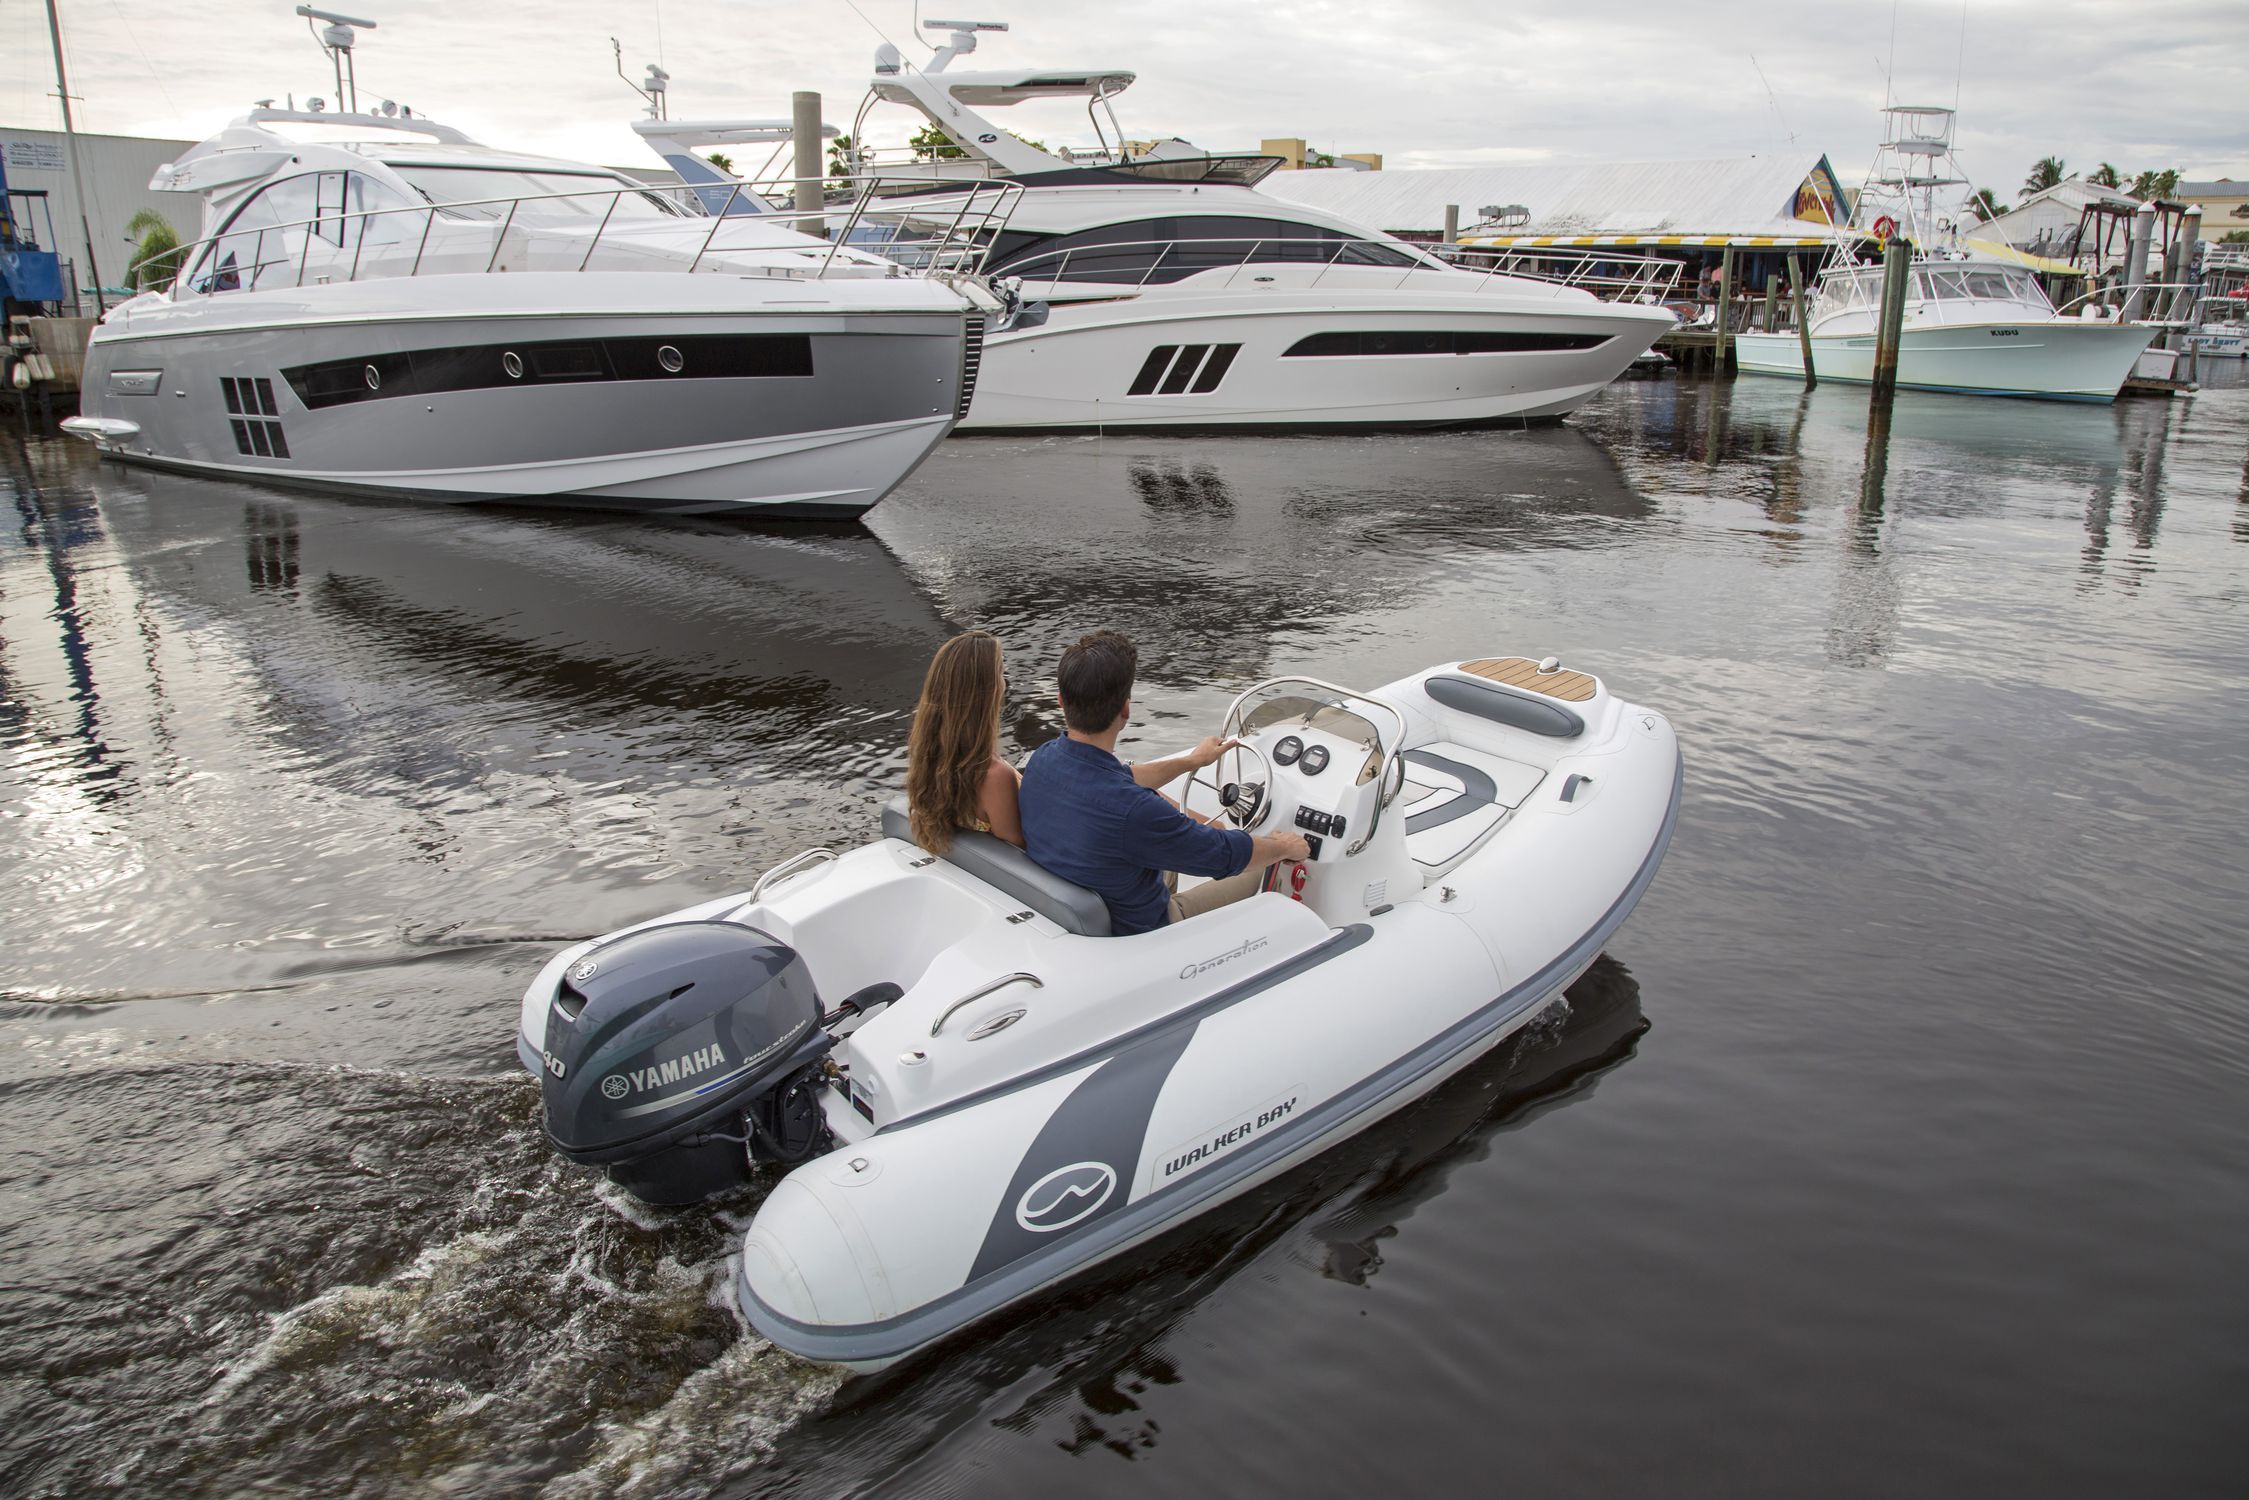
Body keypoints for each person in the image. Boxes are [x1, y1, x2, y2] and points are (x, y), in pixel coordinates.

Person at [1018, 630, 1310, 935]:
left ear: (1061, 701)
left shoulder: (1042, 761)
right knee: (1263, 866)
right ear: (1126, 710)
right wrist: (1283, 846)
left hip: (1090, 905)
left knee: (1174, 824)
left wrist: (1192, 762)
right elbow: (1225, 855)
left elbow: (1120, 777)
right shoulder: (1134, 811)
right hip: (1143, 930)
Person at [905, 630, 1022, 854]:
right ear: (985, 691)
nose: (1004, 681)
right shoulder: (994, 776)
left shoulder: (931, 755)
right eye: (1000, 672)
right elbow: (1018, 854)